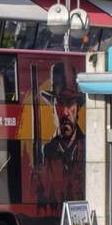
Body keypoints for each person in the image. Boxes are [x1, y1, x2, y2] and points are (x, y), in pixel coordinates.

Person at [37, 62, 86, 205]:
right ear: (52, 107)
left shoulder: (88, 148)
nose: (65, 112)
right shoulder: (46, 151)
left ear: (78, 107)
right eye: (59, 103)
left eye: (70, 103)